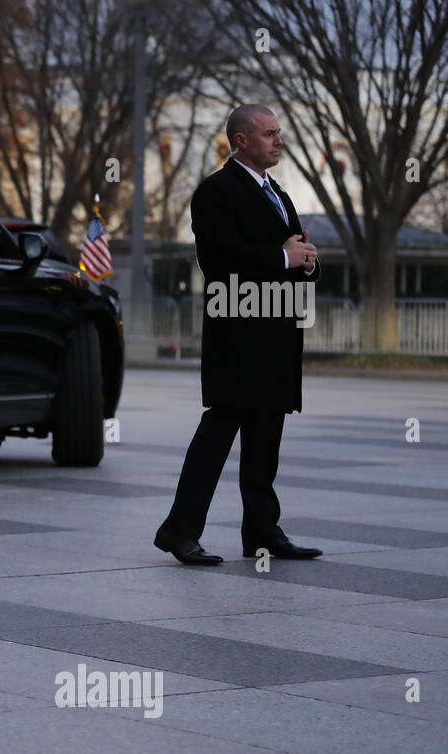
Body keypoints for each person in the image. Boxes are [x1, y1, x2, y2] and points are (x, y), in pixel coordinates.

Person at [154, 104, 324, 565]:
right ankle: (179, 530)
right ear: (241, 140)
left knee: (267, 438)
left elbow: (291, 252)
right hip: (238, 333)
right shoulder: (216, 191)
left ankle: (263, 533)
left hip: (276, 334)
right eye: (269, 133)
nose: (278, 140)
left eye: (279, 132)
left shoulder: (280, 195)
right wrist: (283, 258)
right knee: (217, 435)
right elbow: (220, 258)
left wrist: (305, 260)